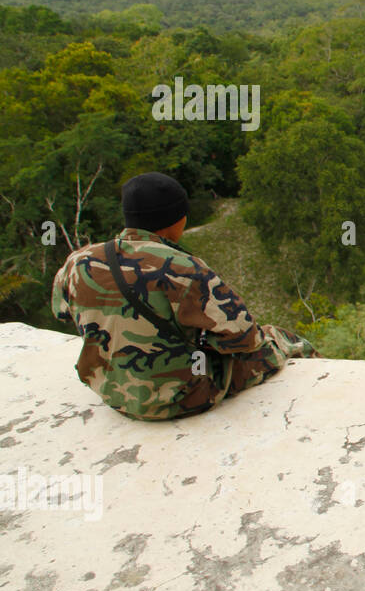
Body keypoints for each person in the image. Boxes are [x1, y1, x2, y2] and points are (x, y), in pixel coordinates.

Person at [51, 172, 319, 420]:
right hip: (181, 397)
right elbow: (245, 337)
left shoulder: (79, 261)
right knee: (284, 339)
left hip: (111, 392)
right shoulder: (183, 268)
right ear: (178, 221)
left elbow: (62, 311)